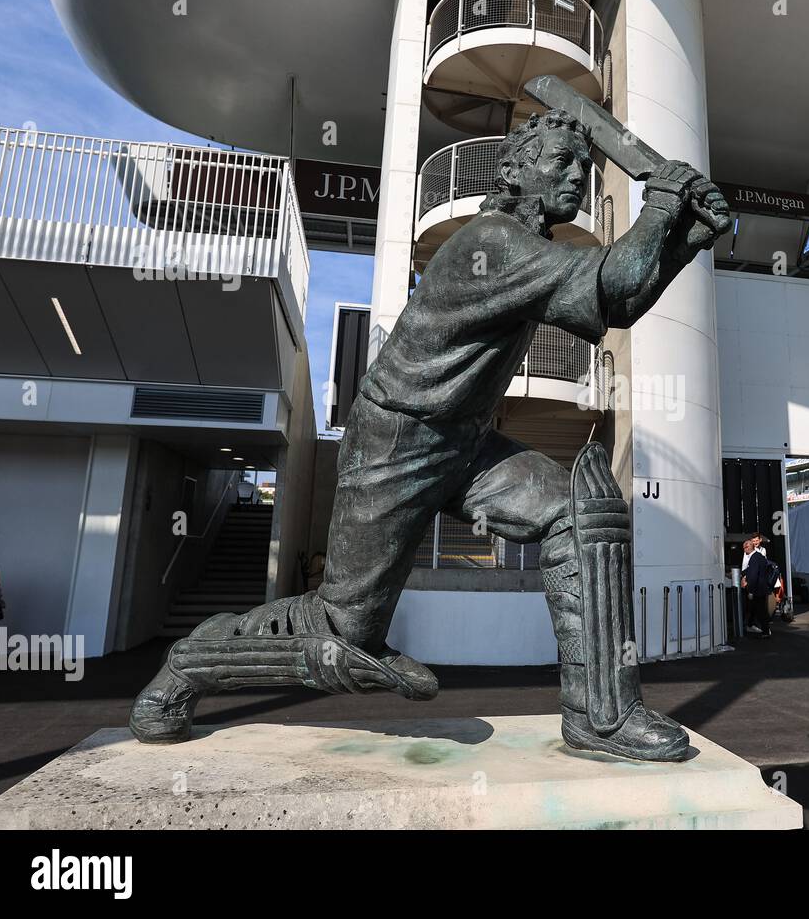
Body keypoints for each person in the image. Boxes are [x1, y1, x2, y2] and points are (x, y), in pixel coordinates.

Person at [130, 108, 732, 762]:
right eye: (560, 161)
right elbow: (612, 293)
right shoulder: (496, 243)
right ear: (514, 170)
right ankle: (194, 660)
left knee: (584, 512)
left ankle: (600, 717)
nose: (577, 177)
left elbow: (622, 293)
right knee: (345, 632)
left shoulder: (529, 248)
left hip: (463, 441)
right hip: (395, 441)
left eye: (584, 167)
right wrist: (666, 204)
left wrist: (687, 233)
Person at [741, 534, 774, 638]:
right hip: (761, 588)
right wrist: (742, 573)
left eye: (744, 548)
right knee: (755, 609)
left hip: (757, 589)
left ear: (748, 548)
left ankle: (765, 631)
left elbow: (753, 575)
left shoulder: (754, 558)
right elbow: (751, 571)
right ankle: (752, 625)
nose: (744, 550)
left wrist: (750, 589)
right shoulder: (759, 557)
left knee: (760, 610)